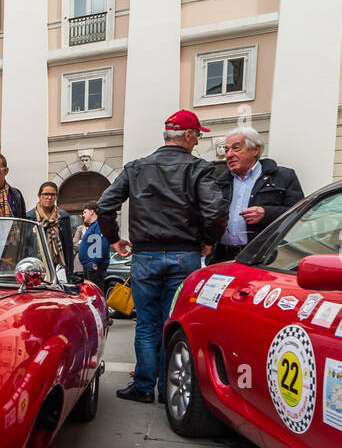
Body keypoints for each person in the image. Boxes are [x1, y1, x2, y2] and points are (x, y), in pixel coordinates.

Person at [97, 110, 227, 403]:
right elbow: (216, 211)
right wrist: (207, 240)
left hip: (145, 256)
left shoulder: (137, 168)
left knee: (146, 323)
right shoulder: (199, 169)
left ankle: (144, 386)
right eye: (198, 136)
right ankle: (169, 388)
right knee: (175, 324)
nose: (197, 142)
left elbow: (105, 205)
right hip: (185, 255)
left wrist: (114, 239)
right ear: (189, 136)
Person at [207, 127, 305, 263]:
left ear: (255, 150)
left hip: (263, 257)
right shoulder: (219, 181)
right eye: (226, 150)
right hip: (223, 256)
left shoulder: (283, 176)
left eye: (236, 148)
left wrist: (266, 213)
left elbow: (300, 214)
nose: (229, 155)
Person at [28, 182, 75, 278]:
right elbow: (26, 245)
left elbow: (68, 246)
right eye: (46, 194)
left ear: (56, 197)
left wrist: (70, 272)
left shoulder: (63, 217)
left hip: (58, 267)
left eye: (52, 194)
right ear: (39, 196)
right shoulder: (30, 217)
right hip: (36, 266)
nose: (49, 197)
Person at [77, 202, 108, 293]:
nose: (83, 215)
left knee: (95, 292)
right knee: (91, 292)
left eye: (84, 212)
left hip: (93, 265)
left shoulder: (99, 225)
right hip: (89, 265)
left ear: (91, 212)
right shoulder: (94, 226)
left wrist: (94, 262)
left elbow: (101, 244)